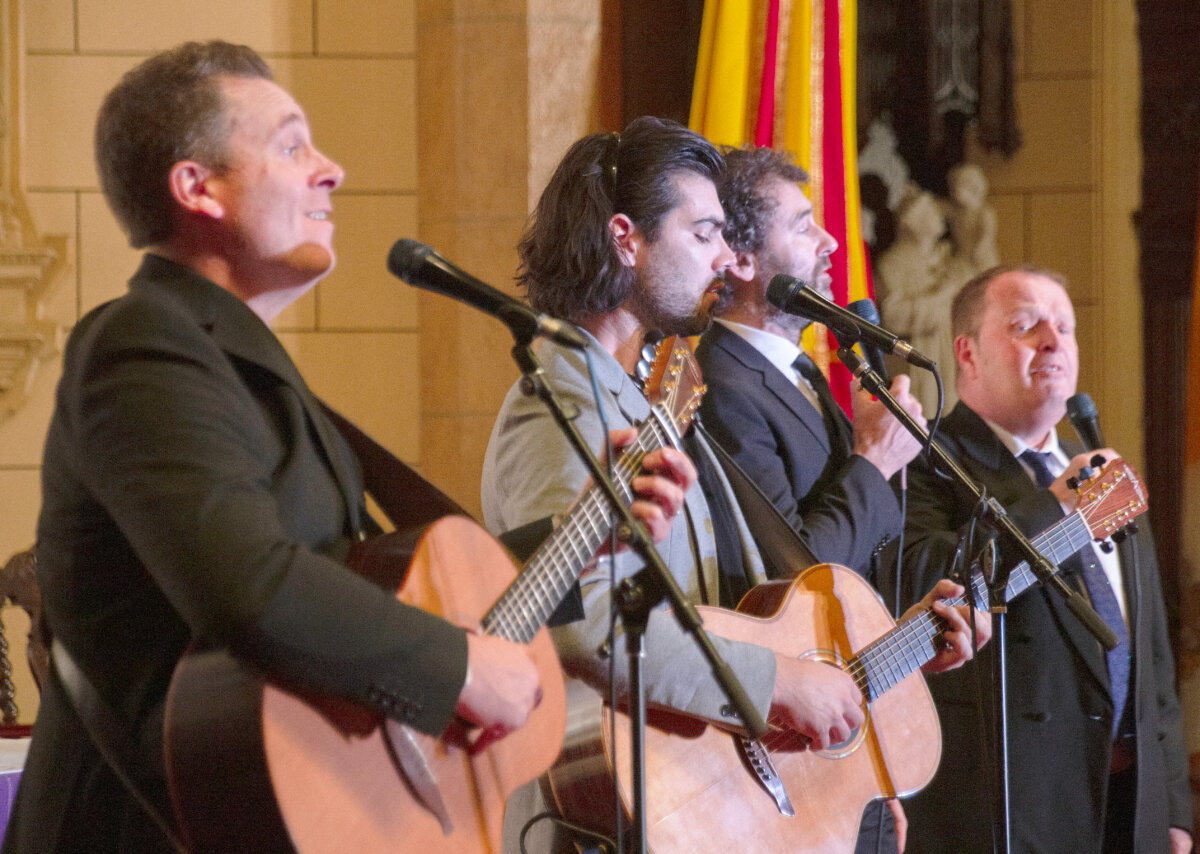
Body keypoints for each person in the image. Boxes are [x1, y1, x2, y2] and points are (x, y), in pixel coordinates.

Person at [6, 42, 690, 853]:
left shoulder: (238, 361)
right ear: (198, 187)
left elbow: (358, 589)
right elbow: (252, 586)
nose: (331, 170)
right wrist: (459, 670)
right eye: (292, 146)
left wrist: (574, 537)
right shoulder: (141, 343)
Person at [480, 117, 982, 853]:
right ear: (627, 239)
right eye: (705, 232)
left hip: (700, 802)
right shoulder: (561, 402)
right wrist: (779, 684)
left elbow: (736, 610)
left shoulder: (649, 398)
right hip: (608, 815)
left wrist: (895, 659)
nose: (725, 256)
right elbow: (581, 623)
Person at [892, 264, 1193, 853]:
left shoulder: (1099, 471)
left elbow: (1154, 654)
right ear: (967, 351)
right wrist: (1054, 508)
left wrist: (1174, 808)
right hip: (1011, 808)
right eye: (1026, 326)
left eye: (1065, 326)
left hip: (1132, 811)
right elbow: (932, 586)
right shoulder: (926, 463)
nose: (1054, 341)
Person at [695, 144, 936, 853]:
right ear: (738, 261)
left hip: (844, 737)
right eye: (804, 226)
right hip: (778, 752)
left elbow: (857, 580)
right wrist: (873, 459)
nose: (832, 241)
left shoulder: (800, 371)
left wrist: (923, 631)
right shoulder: (722, 387)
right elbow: (790, 585)